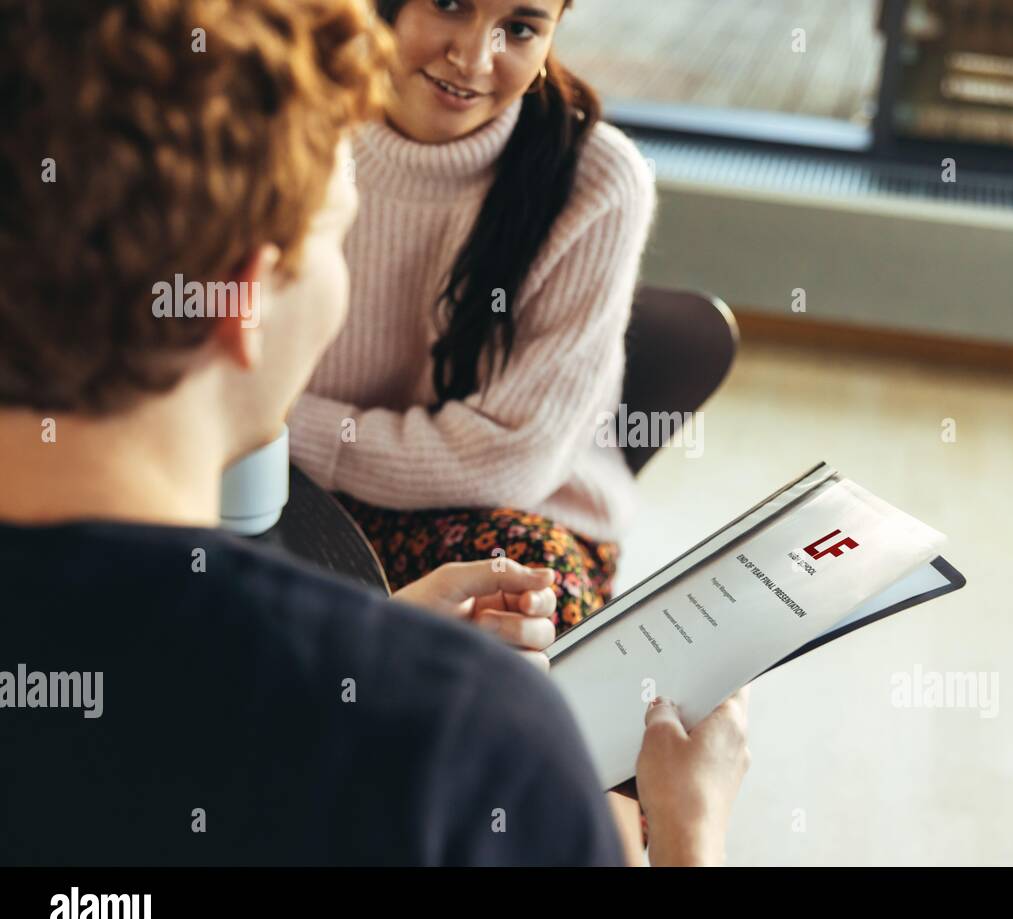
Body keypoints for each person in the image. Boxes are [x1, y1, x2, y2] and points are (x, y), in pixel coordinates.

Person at [0, 0, 747, 867]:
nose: (473, 56)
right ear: (243, 299)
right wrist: (692, 836)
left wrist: (378, 635)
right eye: (332, 236)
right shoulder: (479, 742)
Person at [288, 0, 653, 632]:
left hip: (511, 515)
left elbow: (505, 460)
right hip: (290, 487)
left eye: (520, 28)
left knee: (520, 619)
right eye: (450, 4)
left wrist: (278, 425)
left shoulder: (599, 182)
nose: (474, 57)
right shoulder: (286, 120)